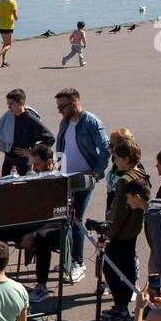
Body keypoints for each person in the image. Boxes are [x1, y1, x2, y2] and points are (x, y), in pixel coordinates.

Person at [0, 143, 62, 303]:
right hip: (31, 225)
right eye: (32, 164)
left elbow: (58, 220)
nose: (34, 168)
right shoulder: (34, 179)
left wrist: (33, 234)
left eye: (37, 164)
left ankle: (41, 287)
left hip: (54, 229)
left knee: (42, 239)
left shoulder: (59, 183)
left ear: (49, 162)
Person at [53, 88, 110, 284]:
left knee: (76, 219)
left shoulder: (91, 122)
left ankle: (78, 263)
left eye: (62, 106)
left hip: (83, 180)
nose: (59, 110)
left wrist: (97, 173)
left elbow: (105, 149)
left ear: (74, 104)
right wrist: (57, 169)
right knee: (64, 218)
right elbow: (61, 147)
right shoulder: (65, 122)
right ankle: (67, 260)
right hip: (65, 178)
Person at [101, 138, 150, 321]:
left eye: (117, 158)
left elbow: (119, 213)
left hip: (120, 233)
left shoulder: (124, 181)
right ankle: (122, 305)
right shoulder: (141, 174)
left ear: (126, 159)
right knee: (128, 267)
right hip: (132, 231)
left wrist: (109, 234)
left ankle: (121, 308)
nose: (115, 162)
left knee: (110, 268)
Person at [0, 88, 55, 176]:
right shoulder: (9, 117)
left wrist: (32, 151)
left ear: (21, 103)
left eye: (11, 104)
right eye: (8, 104)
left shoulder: (30, 119)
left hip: (23, 165)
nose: (8, 107)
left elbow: (50, 138)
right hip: (8, 163)